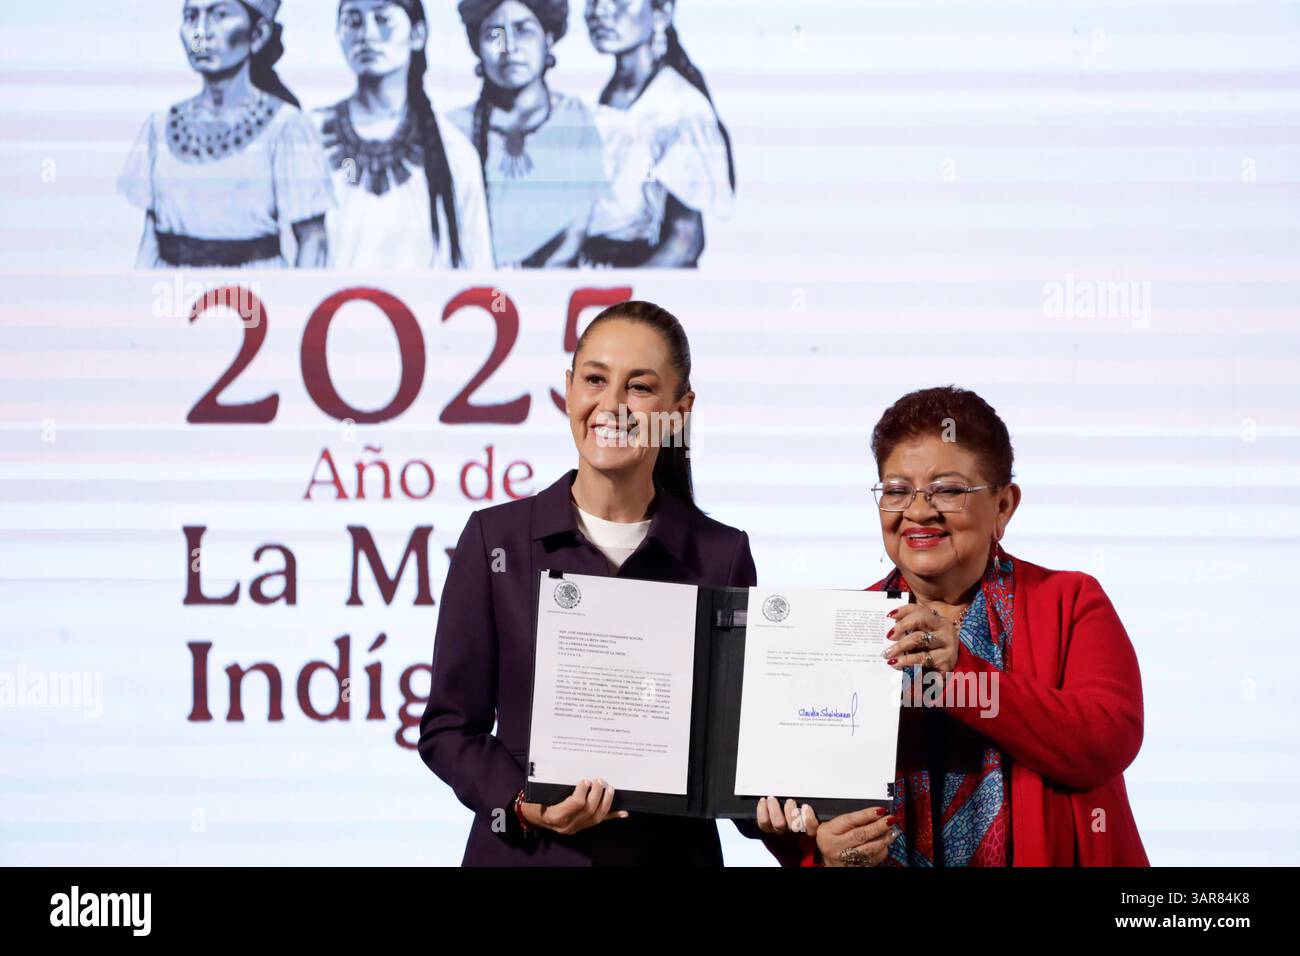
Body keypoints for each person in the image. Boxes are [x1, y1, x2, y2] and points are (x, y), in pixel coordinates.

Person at [419, 300, 793, 865]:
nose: (611, 404)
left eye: (639, 388)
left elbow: (735, 752)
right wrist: (521, 803)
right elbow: (450, 729)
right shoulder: (494, 541)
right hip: (529, 854)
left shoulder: (722, 554)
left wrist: (795, 812)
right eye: (595, 379)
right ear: (569, 389)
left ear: (680, 409)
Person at [756, 386, 1148, 867]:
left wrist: (963, 674)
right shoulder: (841, 627)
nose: (919, 511)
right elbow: (809, 811)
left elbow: (1106, 743)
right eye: (897, 490)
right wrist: (820, 850)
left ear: (1003, 506)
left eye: (948, 490)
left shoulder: (1069, 600)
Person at [119, 0, 334, 268]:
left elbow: (313, 240)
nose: (201, 32)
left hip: (255, 297)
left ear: (258, 34)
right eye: (190, 16)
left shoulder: (286, 127)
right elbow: (149, 240)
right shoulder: (158, 128)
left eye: (219, 15)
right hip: (173, 295)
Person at [312, 0, 493, 269]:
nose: (367, 35)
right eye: (353, 21)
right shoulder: (309, 137)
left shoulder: (454, 151)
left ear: (417, 35)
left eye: (383, 20)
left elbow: (478, 268)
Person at [449, 0, 608, 267]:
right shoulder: (452, 132)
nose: (509, 47)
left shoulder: (580, 122)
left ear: (548, 38)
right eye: (494, 35)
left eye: (524, 31)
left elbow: (577, 230)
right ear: (476, 46)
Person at [580, 0, 734, 267]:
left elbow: (685, 242)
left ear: (662, 12)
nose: (600, 10)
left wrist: (626, 302)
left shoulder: (680, 106)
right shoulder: (603, 100)